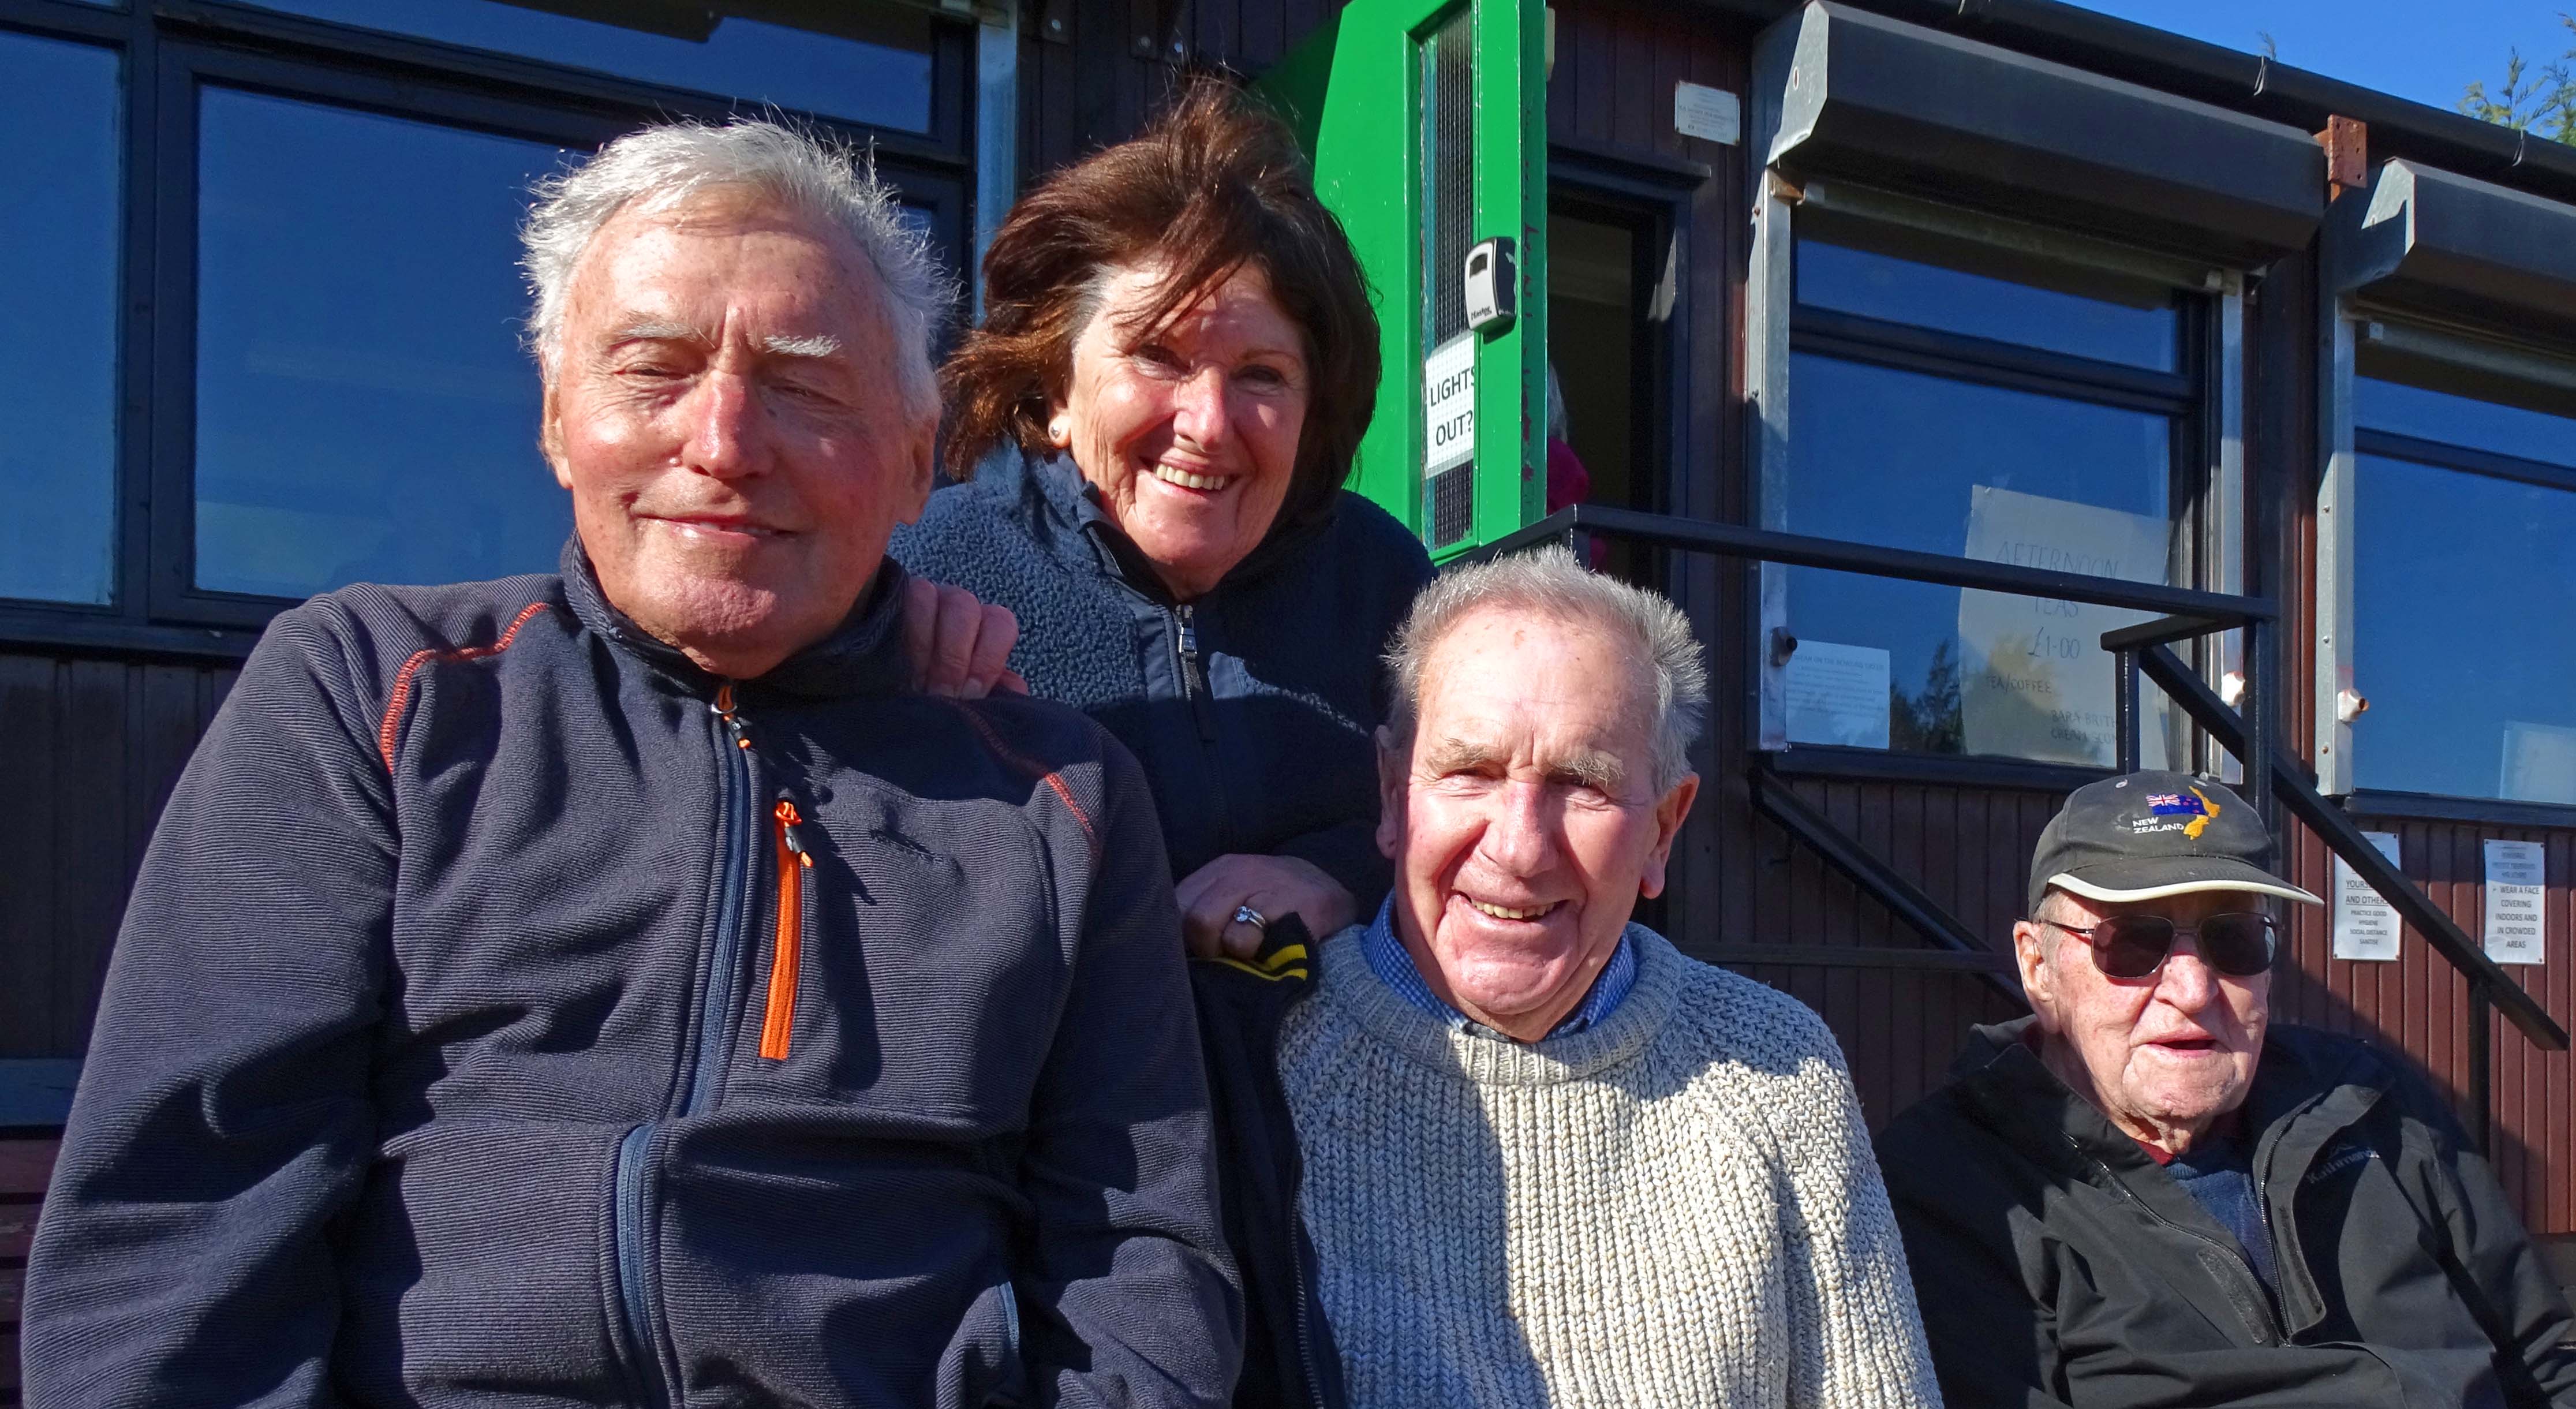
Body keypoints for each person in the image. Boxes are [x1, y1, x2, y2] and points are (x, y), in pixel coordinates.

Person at [22, 119, 1239, 1408]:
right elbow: (188, 1206)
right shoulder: (376, 693)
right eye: (650, 371)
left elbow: (1141, 1258)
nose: (721, 443)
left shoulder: (1055, 796)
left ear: (913, 456)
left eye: (805, 385)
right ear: (557, 420)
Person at [1193, 545, 1941, 1408]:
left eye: (1580, 784)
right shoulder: (1261, 1058)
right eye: (1469, 772)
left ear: (1664, 829)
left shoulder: (1775, 1072)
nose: (1517, 845)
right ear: (1394, 795)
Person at [892, 80, 1434, 959]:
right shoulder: (925, 569)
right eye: (1157, 355)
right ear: (1053, 387)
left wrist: (1343, 875)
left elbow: (1475, 823)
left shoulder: (1385, 581)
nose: (1209, 422)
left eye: (1261, 374)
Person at [1879, 770, 2576, 1408]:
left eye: (2233, 939)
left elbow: (2544, 1360)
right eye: (2132, 943)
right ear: (2037, 965)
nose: (2192, 989)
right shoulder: (1951, 1187)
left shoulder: (2370, 1099)